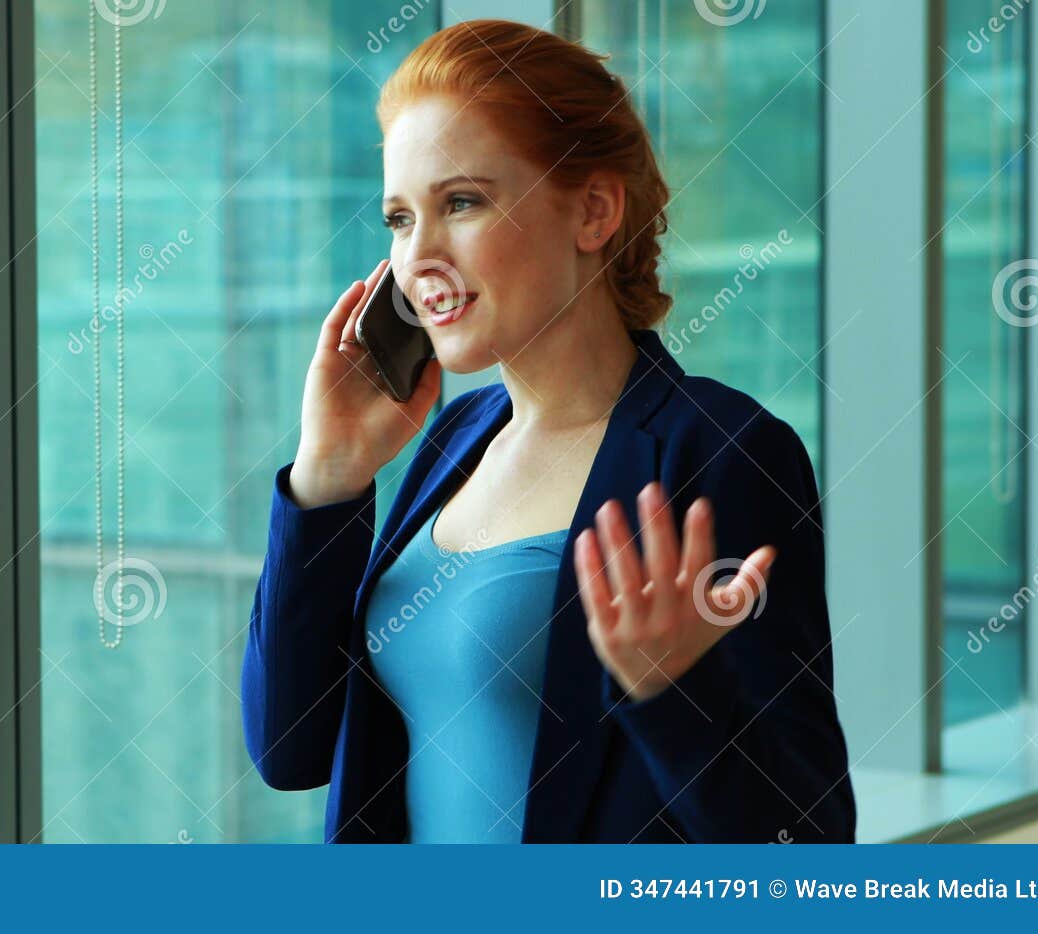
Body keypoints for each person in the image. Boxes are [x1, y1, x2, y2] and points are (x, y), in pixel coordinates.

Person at [240, 19, 857, 843]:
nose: (418, 257)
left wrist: (671, 692)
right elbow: (288, 748)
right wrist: (327, 476)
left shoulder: (720, 452)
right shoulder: (457, 438)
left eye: (461, 203)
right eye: (398, 218)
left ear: (594, 210)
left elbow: (806, 848)